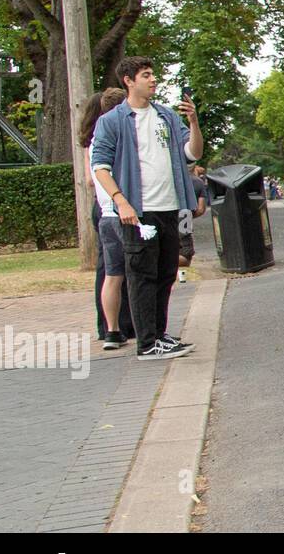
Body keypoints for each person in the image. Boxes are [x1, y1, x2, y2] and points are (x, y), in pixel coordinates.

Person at [90, 57, 203, 361]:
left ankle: (159, 335)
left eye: (153, 74)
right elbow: (100, 167)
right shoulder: (112, 121)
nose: (153, 80)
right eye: (146, 75)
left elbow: (192, 153)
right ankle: (147, 343)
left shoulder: (166, 116)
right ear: (128, 81)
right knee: (141, 276)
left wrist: (193, 123)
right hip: (138, 212)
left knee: (165, 274)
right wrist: (121, 201)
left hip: (169, 207)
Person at [80, 88, 134, 349]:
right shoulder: (112, 137)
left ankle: (110, 326)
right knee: (128, 267)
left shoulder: (92, 141)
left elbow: (89, 179)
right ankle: (126, 323)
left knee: (109, 269)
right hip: (115, 206)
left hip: (103, 207)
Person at [177, 165, 208, 282]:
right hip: (184, 218)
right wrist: (188, 216)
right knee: (185, 255)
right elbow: (200, 209)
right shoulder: (198, 182)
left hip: (162, 217)